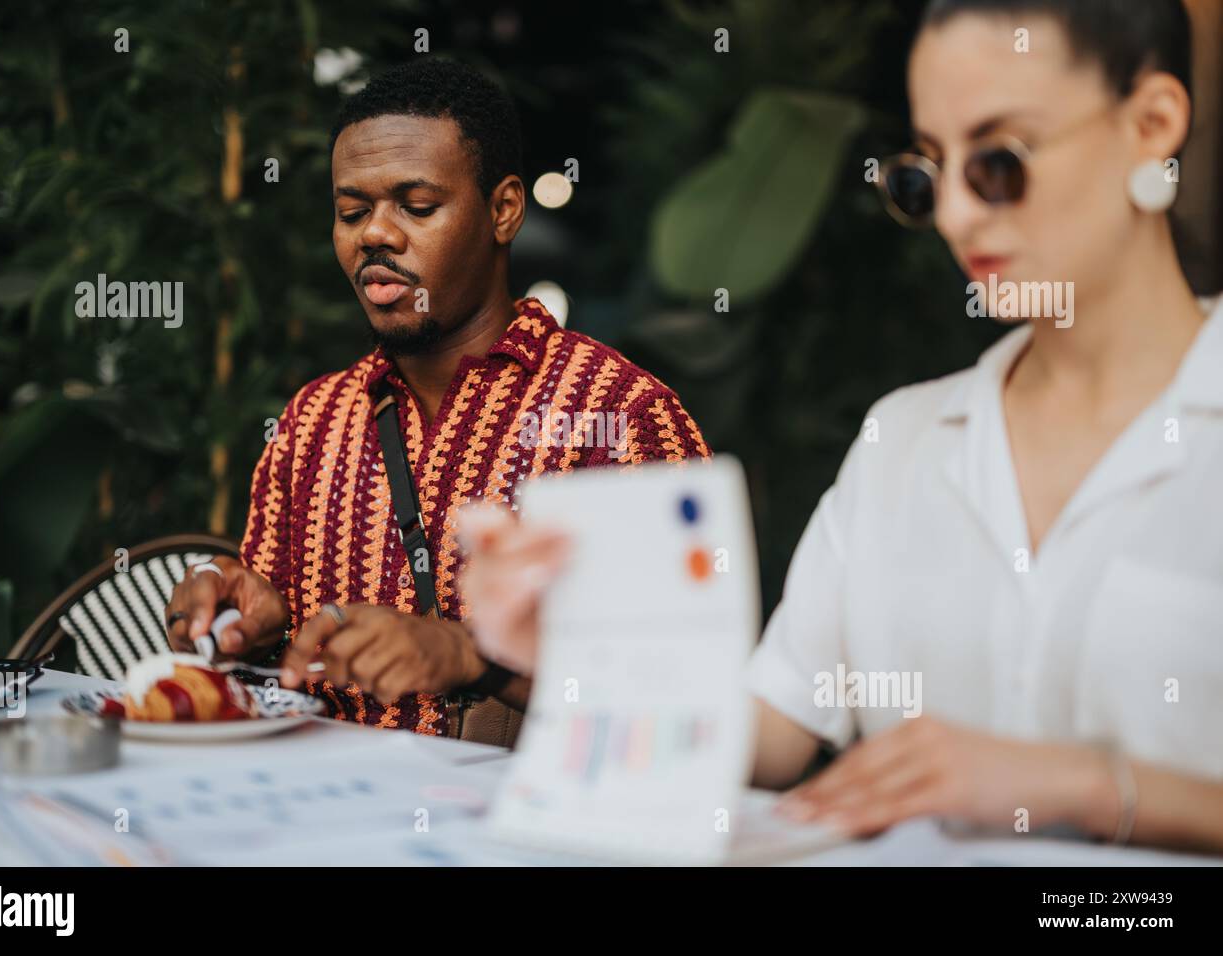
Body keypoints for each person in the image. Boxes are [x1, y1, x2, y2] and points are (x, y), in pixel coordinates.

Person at [459, 0, 1223, 852]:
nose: (958, 217)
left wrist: (1085, 785)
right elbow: (772, 735)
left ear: (1152, 123)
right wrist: (582, 648)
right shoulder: (903, 440)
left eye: (1000, 160)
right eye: (926, 175)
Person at [163, 58, 708, 738]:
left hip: (521, 837)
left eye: (417, 207)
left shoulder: (618, 415)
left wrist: (471, 657)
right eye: (350, 212)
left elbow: (682, 695)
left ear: (504, 210)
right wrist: (249, 630)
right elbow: (268, 690)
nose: (375, 235)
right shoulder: (310, 423)